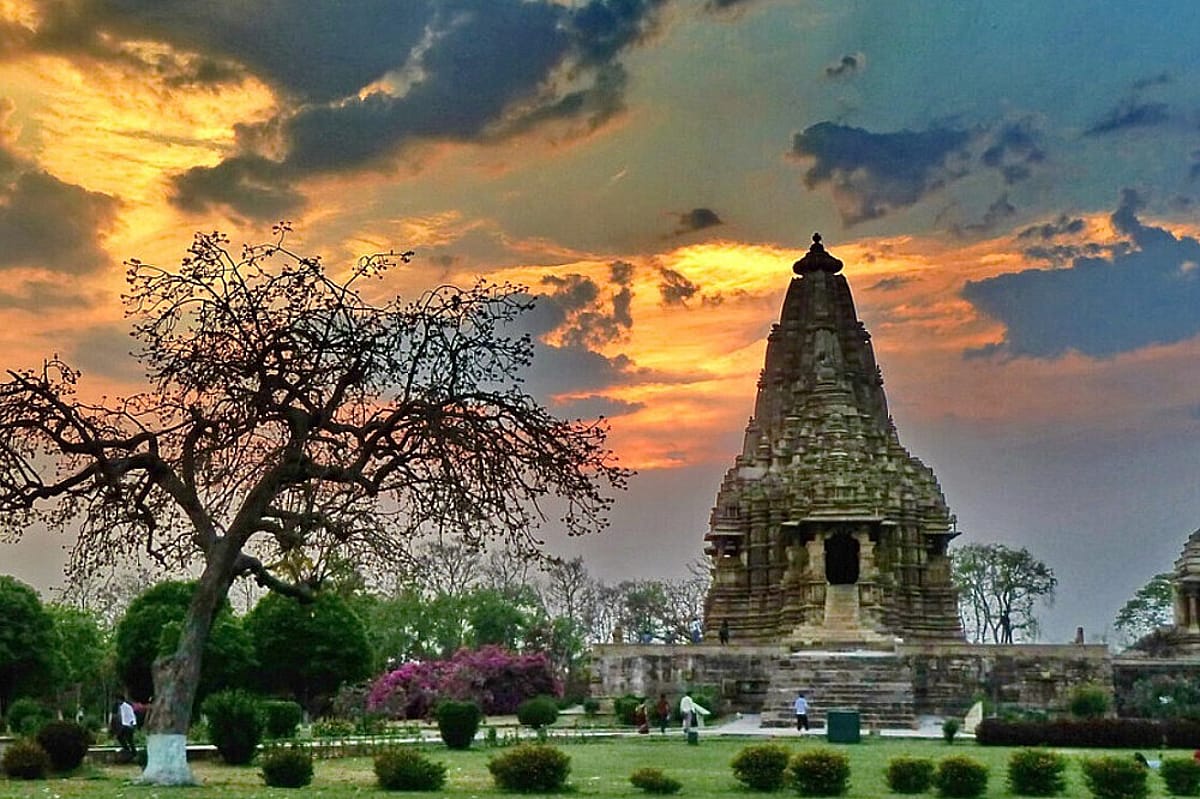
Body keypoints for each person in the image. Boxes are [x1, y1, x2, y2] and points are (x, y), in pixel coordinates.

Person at [116, 695, 138, 761]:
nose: (117, 701)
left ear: (121, 700)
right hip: (124, 725)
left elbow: (132, 715)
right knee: (120, 737)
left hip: (129, 725)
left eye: (118, 700)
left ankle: (133, 753)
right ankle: (128, 750)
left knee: (129, 740)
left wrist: (132, 724)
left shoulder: (127, 707)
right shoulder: (120, 707)